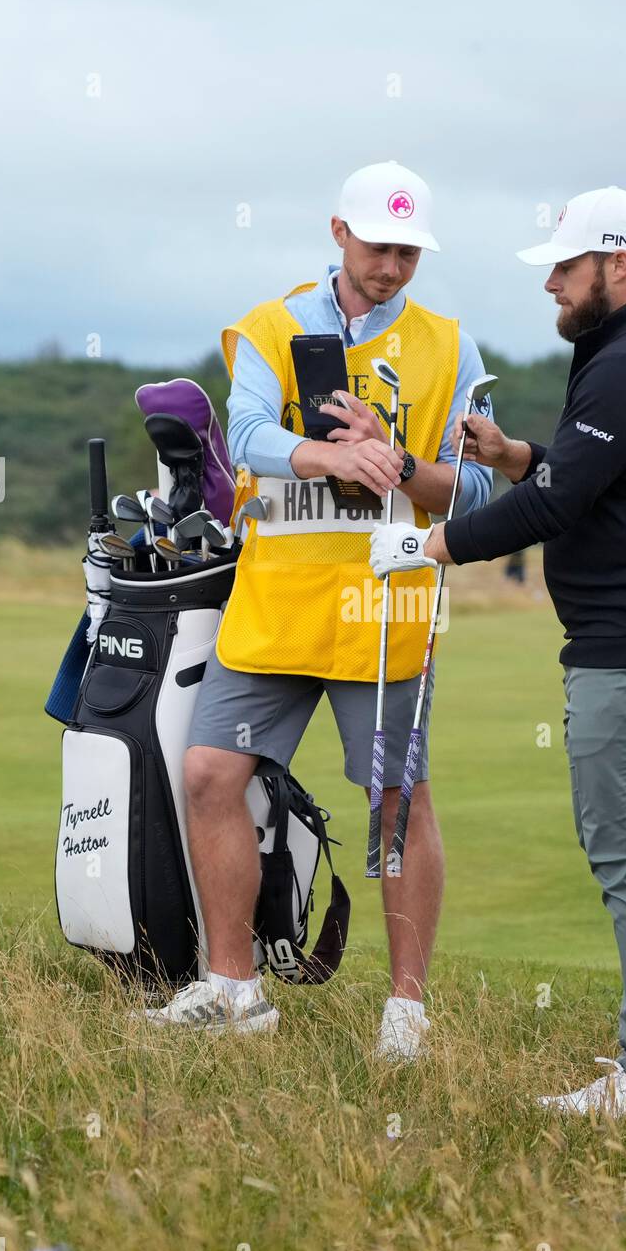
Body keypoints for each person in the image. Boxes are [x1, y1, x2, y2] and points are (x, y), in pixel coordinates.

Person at [371, 185, 626, 1114]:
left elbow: (560, 507)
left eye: (564, 265)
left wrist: (430, 545)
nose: (550, 282)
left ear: (615, 265)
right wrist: (512, 455)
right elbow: (585, 477)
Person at [145, 161, 493, 1059]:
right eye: (381, 247)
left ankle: (407, 1015)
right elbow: (251, 434)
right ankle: (234, 988)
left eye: (411, 252)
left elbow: (482, 484)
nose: (394, 266)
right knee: (211, 776)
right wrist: (329, 458)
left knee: (394, 804)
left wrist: (401, 462)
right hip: (276, 603)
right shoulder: (269, 324)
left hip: (386, 605)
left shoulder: (452, 345)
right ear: (339, 232)